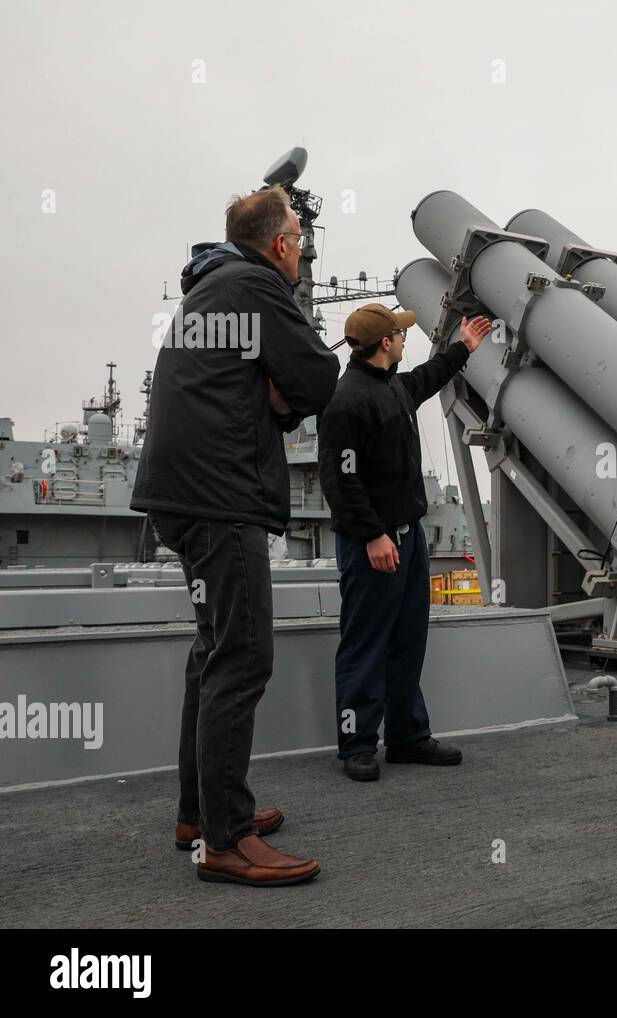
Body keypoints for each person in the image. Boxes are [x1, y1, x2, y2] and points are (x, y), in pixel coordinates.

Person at [132, 185, 339, 886]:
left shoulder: (212, 287)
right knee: (243, 656)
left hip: (180, 493)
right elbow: (317, 378)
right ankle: (225, 838)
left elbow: (268, 385)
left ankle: (200, 813)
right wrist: (280, 394)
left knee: (212, 650)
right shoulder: (255, 284)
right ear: (280, 242)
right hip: (222, 495)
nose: (302, 249)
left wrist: (271, 391)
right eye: (299, 239)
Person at [318, 304, 490, 781]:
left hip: (408, 539)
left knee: (408, 639)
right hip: (371, 543)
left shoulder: (392, 385)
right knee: (366, 644)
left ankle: (407, 736)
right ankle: (356, 744)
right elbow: (339, 480)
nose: (404, 339)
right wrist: (372, 534)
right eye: (400, 334)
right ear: (385, 343)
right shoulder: (348, 401)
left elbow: (426, 378)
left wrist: (463, 349)